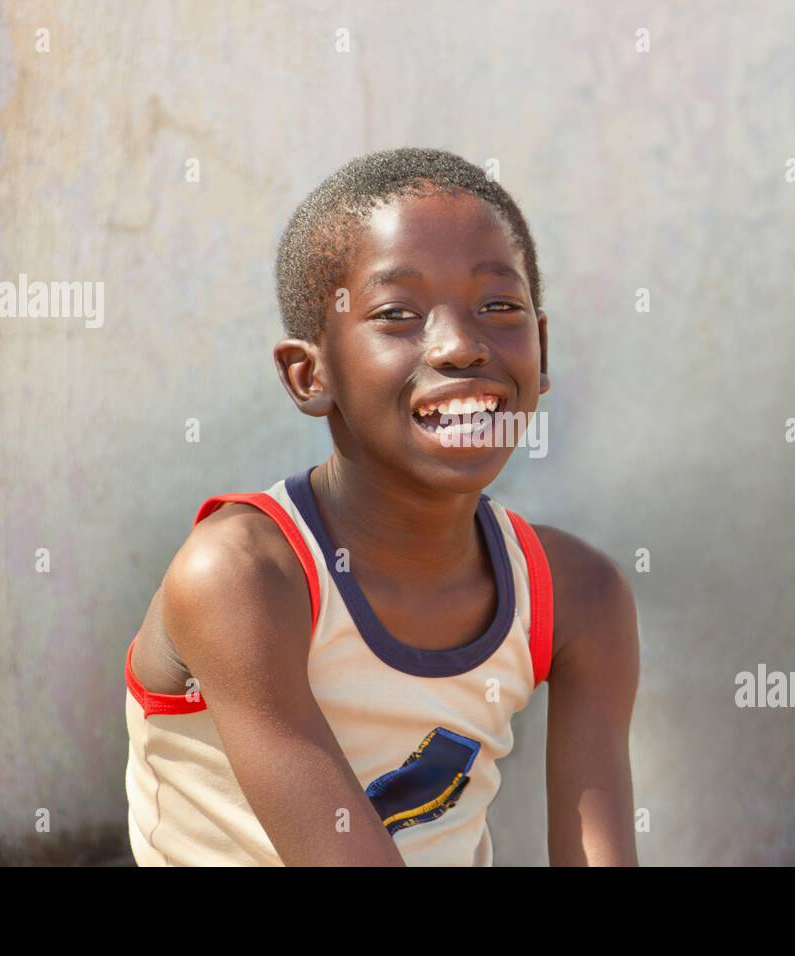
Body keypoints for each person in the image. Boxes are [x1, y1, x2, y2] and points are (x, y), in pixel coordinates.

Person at [123, 147, 640, 865]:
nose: (461, 346)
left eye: (499, 306)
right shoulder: (242, 578)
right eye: (397, 314)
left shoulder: (577, 595)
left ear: (541, 350)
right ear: (310, 376)